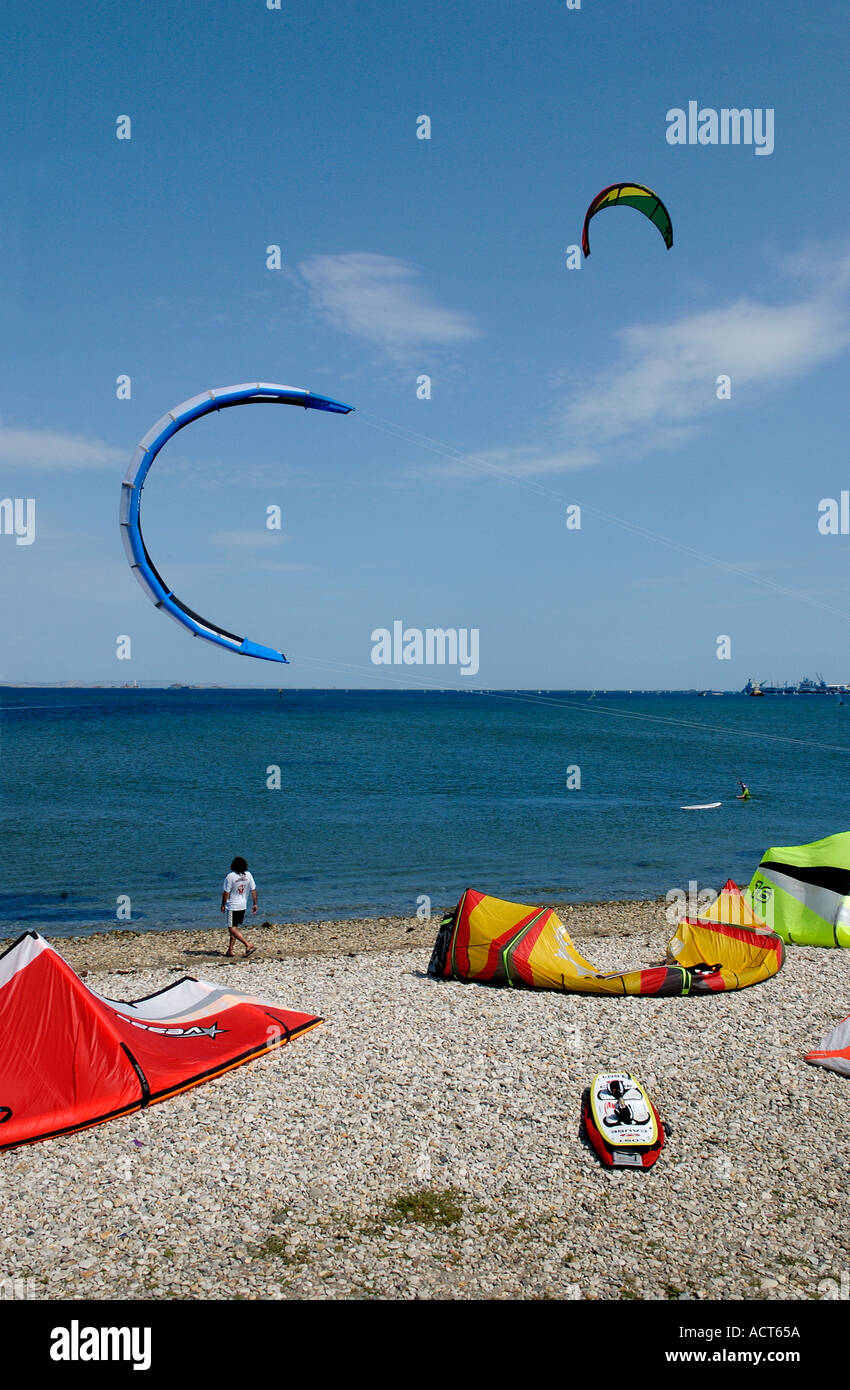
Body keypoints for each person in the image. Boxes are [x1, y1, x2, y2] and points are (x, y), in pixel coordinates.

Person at [220, 856, 258, 957]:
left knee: (232, 929)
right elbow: (253, 890)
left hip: (233, 906)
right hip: (243, 905)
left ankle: (248, 944)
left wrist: (223, 904)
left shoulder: (230, 876)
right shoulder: (248, 875)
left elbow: (226, 893)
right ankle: (230, 950)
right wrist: (255, 903)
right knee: (235, 928)